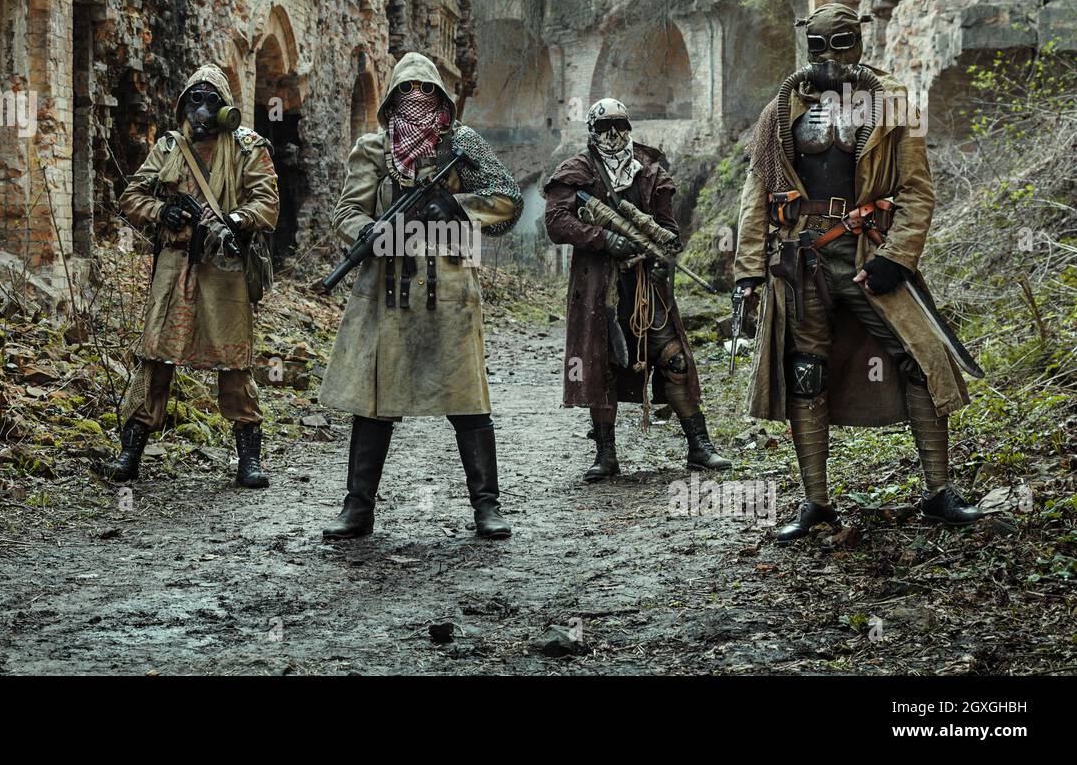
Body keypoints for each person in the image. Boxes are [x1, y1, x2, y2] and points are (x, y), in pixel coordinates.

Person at [732, 4, 982, 542]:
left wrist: (898, 256)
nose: (828, 58)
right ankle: (816, 503)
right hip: (801, 258)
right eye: (817, 47)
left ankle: (939, 492)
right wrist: (748, 270)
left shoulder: (894, 105)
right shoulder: (781, 108)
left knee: (920, 358)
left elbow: (916, 190)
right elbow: (758, 190)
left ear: (859, 43)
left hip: (869, 252)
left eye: (840, 43)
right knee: (806, 371)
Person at [318, 52, 522, 540]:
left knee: (467, 397)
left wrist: (454, 206)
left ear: (442, 98)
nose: (416, 100)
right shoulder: (372, 149)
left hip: (450, 285)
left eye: (425, 90)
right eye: (405, 90)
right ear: (390, 100)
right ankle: (358, 507)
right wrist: (369, 231)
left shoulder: (462, 145)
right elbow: (346, 212)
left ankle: (487, 506)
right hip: (386, 288)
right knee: (376, 400)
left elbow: (508, 202)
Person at [105, 64, 279, 487]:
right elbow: (131, 196)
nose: (201, 110)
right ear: (183, 104)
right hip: (175, 264)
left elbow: (267, 203)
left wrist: (236, 220)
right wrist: (162, 210)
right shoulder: (170, 147)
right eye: (194, 100)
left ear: (225, 109)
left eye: (211, 101)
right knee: (155, 356)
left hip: (224, 267)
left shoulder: (246, 147)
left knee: (234, 361)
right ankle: (130, 452)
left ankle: (248, 460)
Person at [544, 98, 731, 480]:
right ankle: (606, 455)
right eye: (604, 126)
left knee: (673, 357)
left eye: (620, 125)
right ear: (592, 132)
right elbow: (557, 222)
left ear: (629, 127)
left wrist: (663, 255)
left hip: (647, 283)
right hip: (600, 286)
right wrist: (602, 239)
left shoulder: (649, 170)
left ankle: (699, 447)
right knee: (604, 362)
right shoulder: (576, 171)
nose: (613, 134)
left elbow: (668, 226)